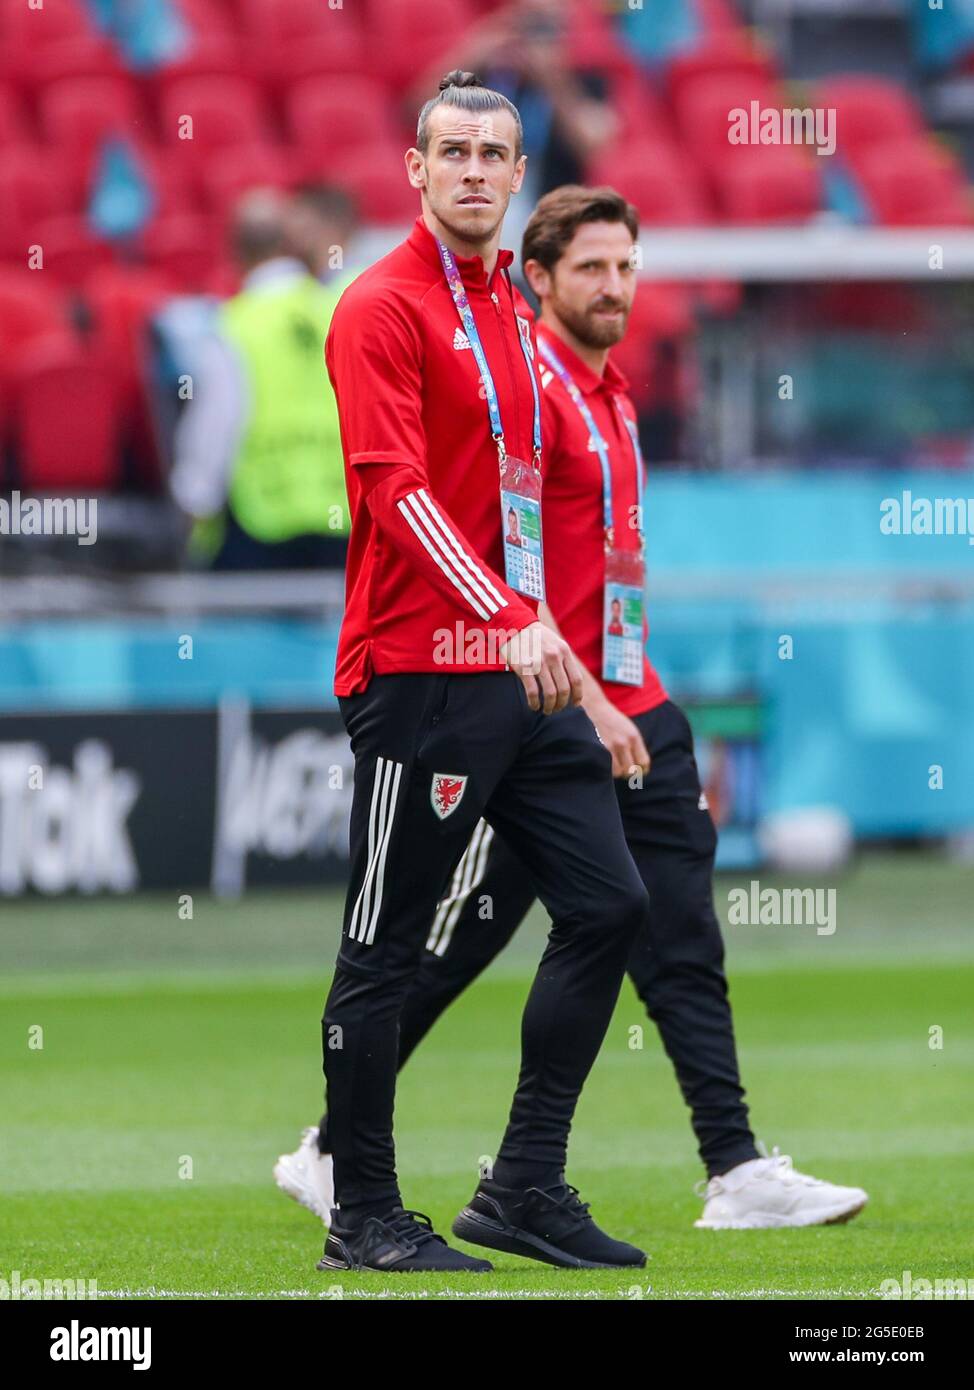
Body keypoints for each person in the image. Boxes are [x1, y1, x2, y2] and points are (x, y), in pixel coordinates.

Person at [278, 184, 869, 1235]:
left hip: (627, 699)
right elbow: (502, 552)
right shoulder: (524, 389)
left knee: (664, 927)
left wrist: (621, 690)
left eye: (626, 266)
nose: (614, 286)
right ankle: (337, 1150)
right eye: (590, 267)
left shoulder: (611, 393)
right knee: (450, 936)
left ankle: (728, 1166)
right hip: (543, 700)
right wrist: (582, 697)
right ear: (535, 277)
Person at [312, 75, 651, 1275]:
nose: (468, 170)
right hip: (419, 673)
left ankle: (520, 1185)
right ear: (413, 169)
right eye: (447, 150)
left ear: (517, 178)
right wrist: (514, 616)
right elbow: (393, 491)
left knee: (611, 902)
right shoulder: (381, 307)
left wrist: (569, 650)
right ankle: (361, 1213)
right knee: (384, 947)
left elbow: (523, 508)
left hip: (518, 674)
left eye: (490, 154)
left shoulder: (511, 308)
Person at [168, 189, 349, 570]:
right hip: (343, 521)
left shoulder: (232, 325)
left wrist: (193, 501)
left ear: (235, 252)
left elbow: (215, 427)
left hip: (260, 525)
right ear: (291, 245)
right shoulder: (339, 312)